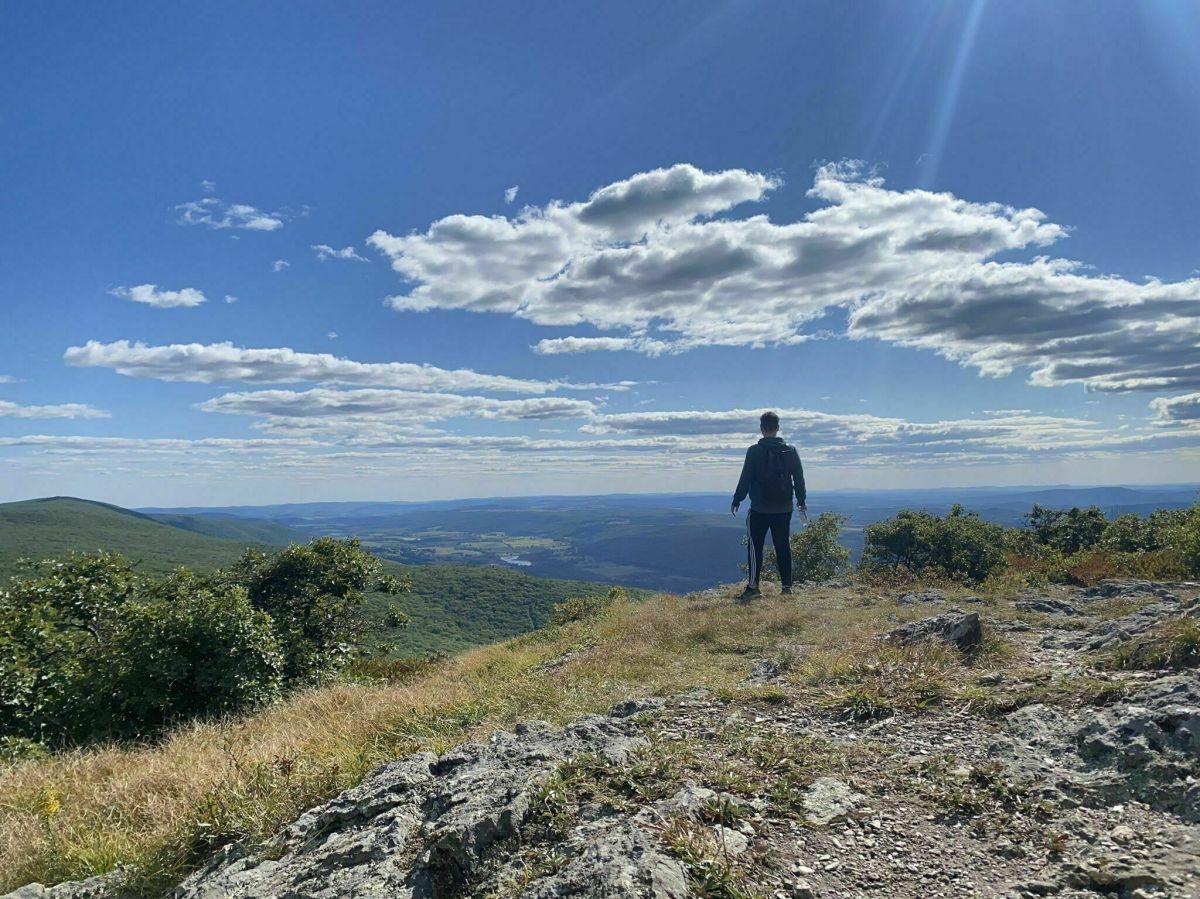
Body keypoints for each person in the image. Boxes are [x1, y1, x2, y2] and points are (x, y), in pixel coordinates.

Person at [730, 411, 806, 599]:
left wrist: (737, 499)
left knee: (755, 547)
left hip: (760, 508)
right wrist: (801, 501)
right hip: (784, 507)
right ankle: (787, 587)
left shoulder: (754, 451)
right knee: (783, 546)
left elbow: (745, 478)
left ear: (762, 428)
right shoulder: (791, 450)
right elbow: (799, 478)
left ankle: (753, 588)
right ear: (778, 428)